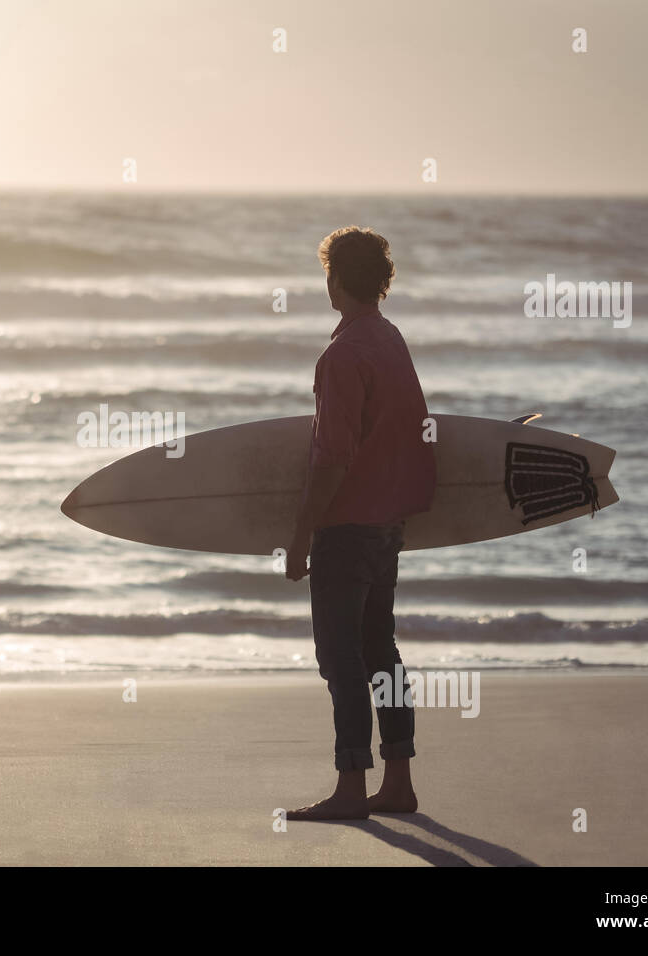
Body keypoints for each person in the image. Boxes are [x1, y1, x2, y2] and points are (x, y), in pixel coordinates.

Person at [284, 226, 437, 821]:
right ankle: (397, 781)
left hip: (347, 527)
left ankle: (351, 787)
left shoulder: (342, 355)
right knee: (380, 650)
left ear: (337, 279)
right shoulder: (390, 340)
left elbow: (331, 458)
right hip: (386, 524)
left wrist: (300, 538)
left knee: (340, 656)